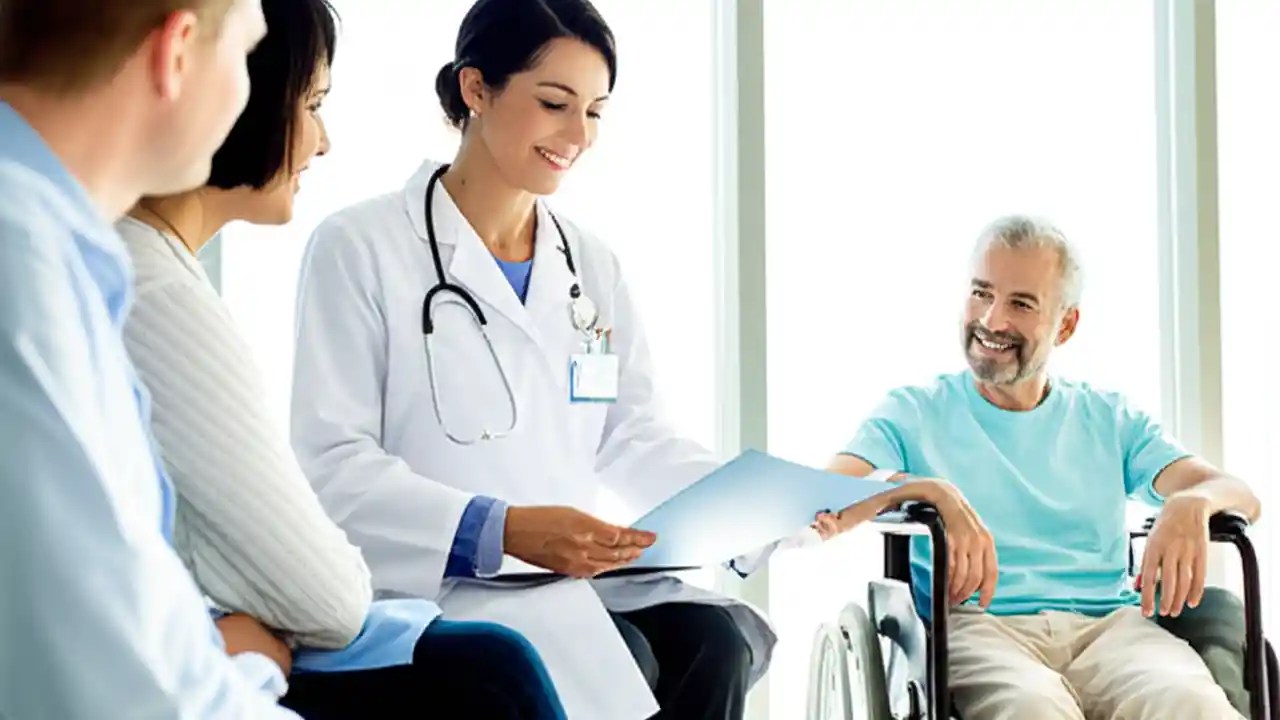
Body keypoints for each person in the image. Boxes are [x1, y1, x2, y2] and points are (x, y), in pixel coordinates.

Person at [288, 0, 772, 717]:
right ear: (475, 89)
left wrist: (755, 510)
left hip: (564, 584)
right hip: (430, 584)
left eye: (596, 112)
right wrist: (502, 528)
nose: (578, 135)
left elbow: (631, 436)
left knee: (713, 639)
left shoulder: (589, 266)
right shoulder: (360, 247)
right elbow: (334, 464)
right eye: (554, 103)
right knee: (631, 661)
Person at [115, 1, 566, 717]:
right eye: (313, 102)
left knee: (701, 633)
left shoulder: (147, 271)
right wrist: (233, 627)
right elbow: (326, 593)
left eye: (594, 112)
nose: (322, 142)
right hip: (344, 606)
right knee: (492, 670)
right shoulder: (155, 291)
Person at [819, 215, 1261, 720]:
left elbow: (1242, 495)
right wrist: (927, 490)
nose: (992, 320)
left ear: (1066, 325)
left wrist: (1192, 500)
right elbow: (826, 494)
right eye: (981, 293)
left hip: (1111, 628)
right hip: (981, 628)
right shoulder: (914, 411)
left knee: (1191, 703)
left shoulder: (1108, 418)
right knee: (1032, 708)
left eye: (1020, 304)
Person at [0, 0, 308, 717]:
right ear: (177, 52)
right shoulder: (22, 270)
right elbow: (130, 692)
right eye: (246, 53)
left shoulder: (50, 250)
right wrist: (249, 672)